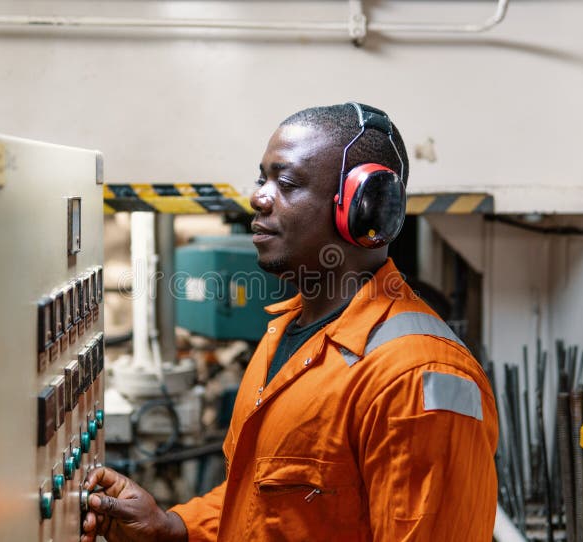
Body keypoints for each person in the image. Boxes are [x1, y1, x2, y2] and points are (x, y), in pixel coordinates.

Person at [81, 103, 498, 541]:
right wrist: (174, 527)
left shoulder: (417, 378)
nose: (259, 197)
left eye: (287, 182)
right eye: (263, 178)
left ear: (363, 208)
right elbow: (267, 500)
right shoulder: (287, 332)